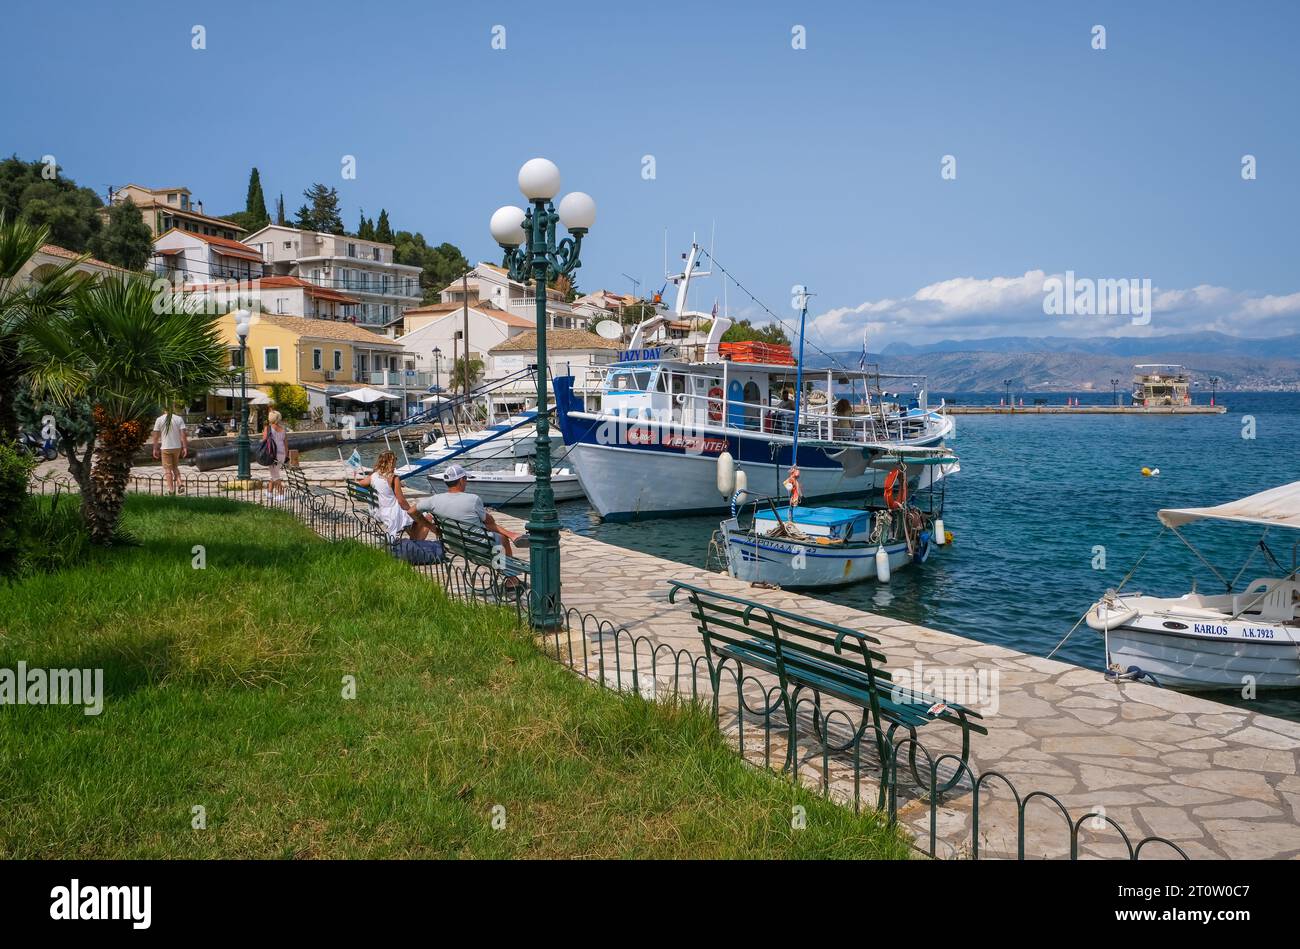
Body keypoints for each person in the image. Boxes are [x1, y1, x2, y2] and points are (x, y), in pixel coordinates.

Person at [416, 464, 520, 556]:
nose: (466, 482)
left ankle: (510, 538)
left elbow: (411, 511)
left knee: (490, 532)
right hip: (477, 548)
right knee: (502, 539)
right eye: (465, 479)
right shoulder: (473, 499)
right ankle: (509, 574)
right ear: (461, 481)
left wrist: (430, 527)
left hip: (453, 546)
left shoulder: (434, 499)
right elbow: (490, 521)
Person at [353, 450, 432, 541]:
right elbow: (401, 501)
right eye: (395, 459)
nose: (396, 462)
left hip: (379, 511)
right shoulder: (394, 478)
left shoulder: (374, 476)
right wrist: (410, 509)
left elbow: (361, 483)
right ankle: (417, 542)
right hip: (392, 513)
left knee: (410, 518)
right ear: (391, 462)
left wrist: (372, 487)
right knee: (427, 516)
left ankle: (414, 539)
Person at [151, 405, 189, 495]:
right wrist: (185, 447)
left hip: (166, 447)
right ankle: (180, 483)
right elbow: (183, 435)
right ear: (173, 409)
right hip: (177, 447)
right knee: (175, 467)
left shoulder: (159, 419)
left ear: (164, 409)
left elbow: (155, 436)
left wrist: (155, 448)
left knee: (168, 470)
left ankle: (171, 490)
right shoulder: (179, 419)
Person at [261, 410, 289, 501]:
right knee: (274, 473)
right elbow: (286, 444)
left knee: (275, 475)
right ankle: (269, 492)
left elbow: (264, 441)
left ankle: (281, 494)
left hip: (272, 455)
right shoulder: (283, 429)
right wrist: (286, 456)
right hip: (282, 455)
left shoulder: (268, 428)